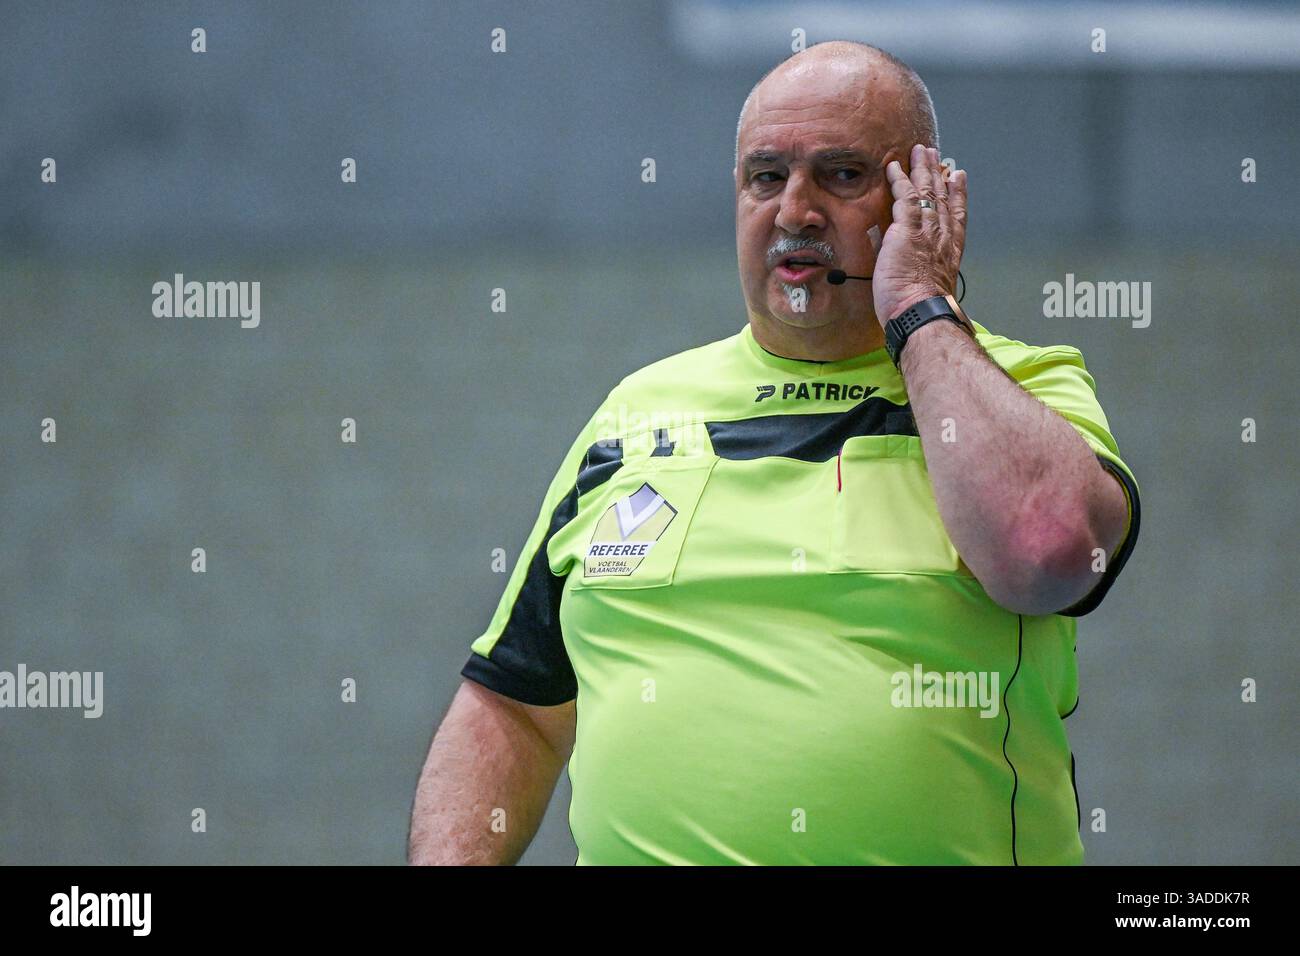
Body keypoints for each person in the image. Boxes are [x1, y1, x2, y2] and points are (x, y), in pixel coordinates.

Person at [409, 40, 1140, 865]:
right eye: (766, 177)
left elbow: (1048, 553)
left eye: (841, 174)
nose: (795, 210)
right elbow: (511, 706)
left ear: (922, 198)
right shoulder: (635, 414)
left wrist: (919, 307)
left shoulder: (1022, 387)